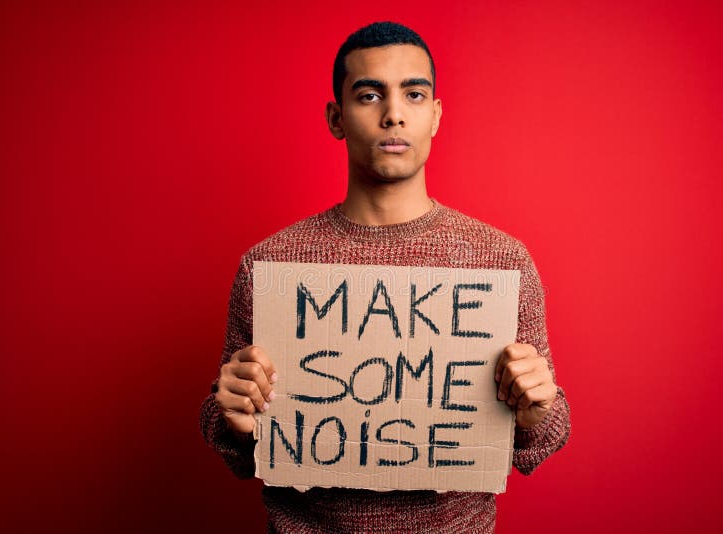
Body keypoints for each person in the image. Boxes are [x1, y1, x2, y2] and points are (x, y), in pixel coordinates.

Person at [200, 21, 571, 533]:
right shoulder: (272, 266)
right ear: (337, 117)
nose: (394, 113)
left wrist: (535, 410)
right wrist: (237, 419)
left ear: (435, 115)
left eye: (414, 94)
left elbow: (545, 438)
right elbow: (234, 446)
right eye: (369, 94)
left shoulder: (499, 261)